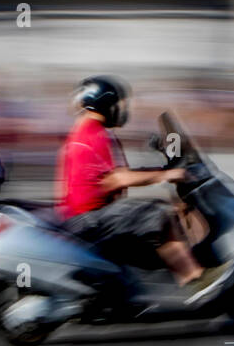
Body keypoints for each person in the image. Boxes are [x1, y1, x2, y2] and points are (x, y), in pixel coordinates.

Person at [56, 76, 225, 303]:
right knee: (157, 214)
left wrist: (161, 170)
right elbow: (116, 179)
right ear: (104, 103)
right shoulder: (94, 133)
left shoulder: (86, 131)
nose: (122, 110)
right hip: (89, 219)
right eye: (119, 105)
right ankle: (194, 278)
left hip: (86, 217)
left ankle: (159, 286)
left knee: (157, 216)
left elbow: (111, 175)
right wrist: (165, 175)